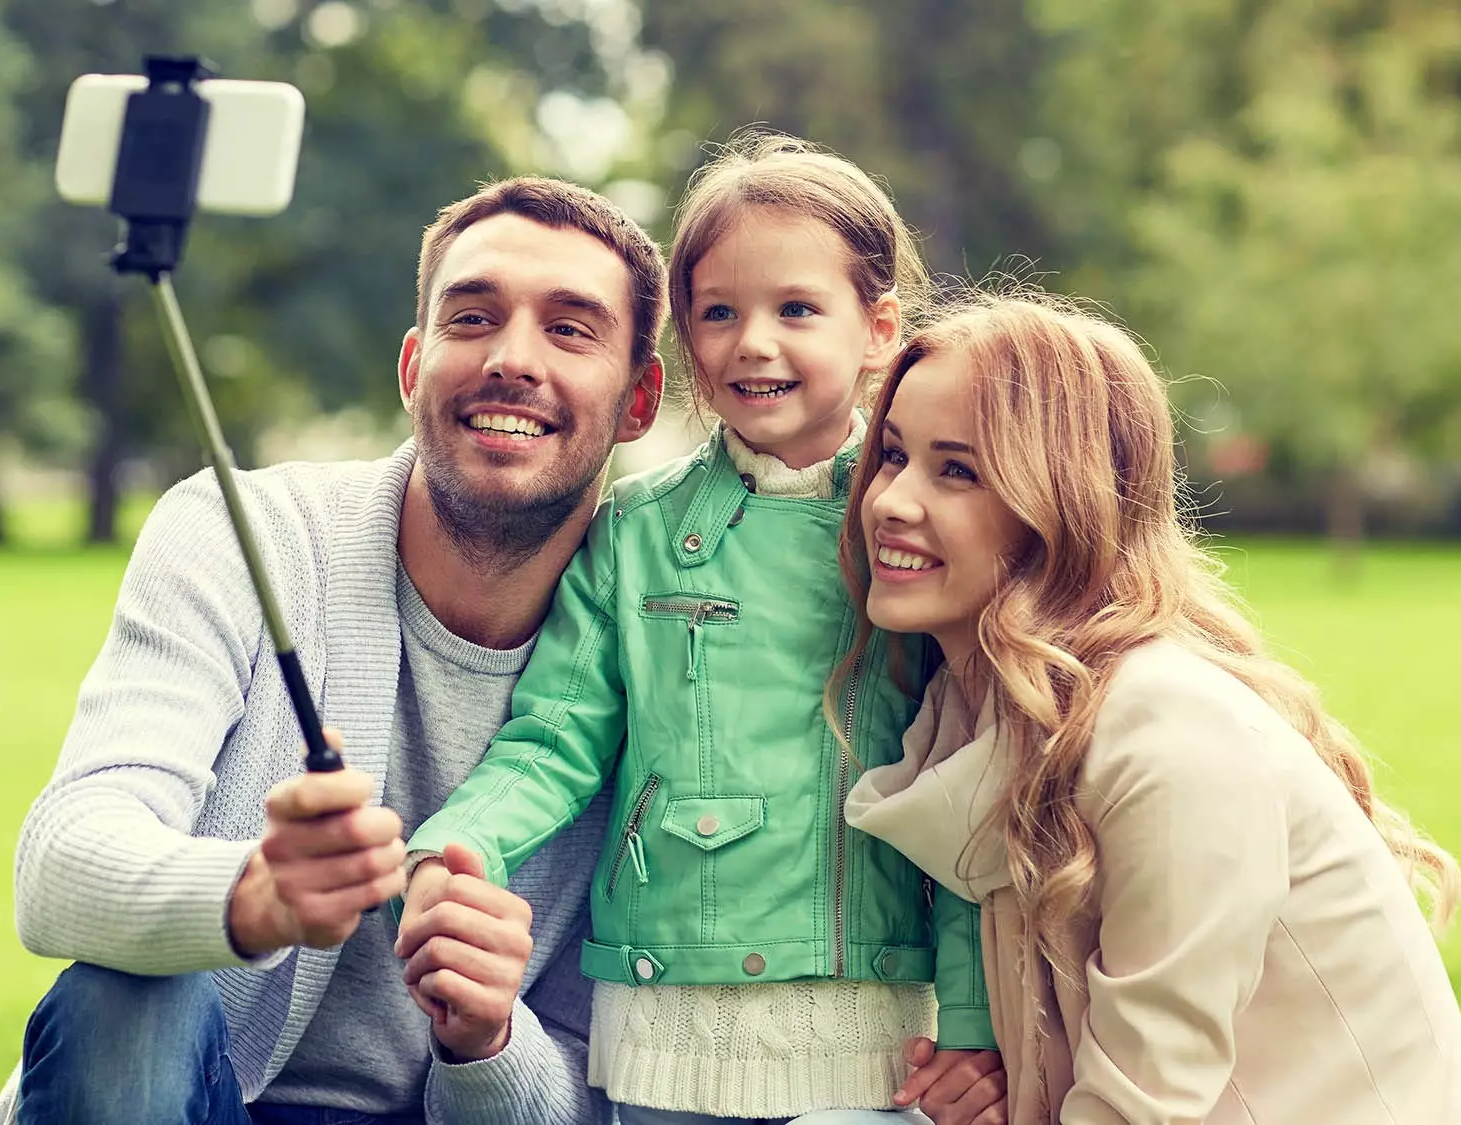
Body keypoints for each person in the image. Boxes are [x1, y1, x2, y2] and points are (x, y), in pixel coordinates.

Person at [0, 176, 671, 1125]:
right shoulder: (244, 529)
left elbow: (605, 1103)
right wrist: (251, 895)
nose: (513, 359)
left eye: (569, 328)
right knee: (127, 996)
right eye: (472, 317)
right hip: (192, 1100)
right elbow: (61, 862)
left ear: (639, 400)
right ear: (412, 366)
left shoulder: (677, 650)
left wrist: (491, 1039)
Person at [398, 134, 1007, 1125]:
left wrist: (974, 1025)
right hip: (664, 1013)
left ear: (879, 329)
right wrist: (456, 844)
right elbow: (550, 742)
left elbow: (967, 794)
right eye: (716, 312)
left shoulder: (918, 536)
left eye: (795, 309)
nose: (750, 343)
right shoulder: (633, 535)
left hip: (872, 1017)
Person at [840, 292, 1461, 1124]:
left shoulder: (1166, 733)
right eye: (894, 455)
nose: (891, 501)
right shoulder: (968, 719)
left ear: (1063, 505)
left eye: (959, 471)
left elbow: (1140, 1107)